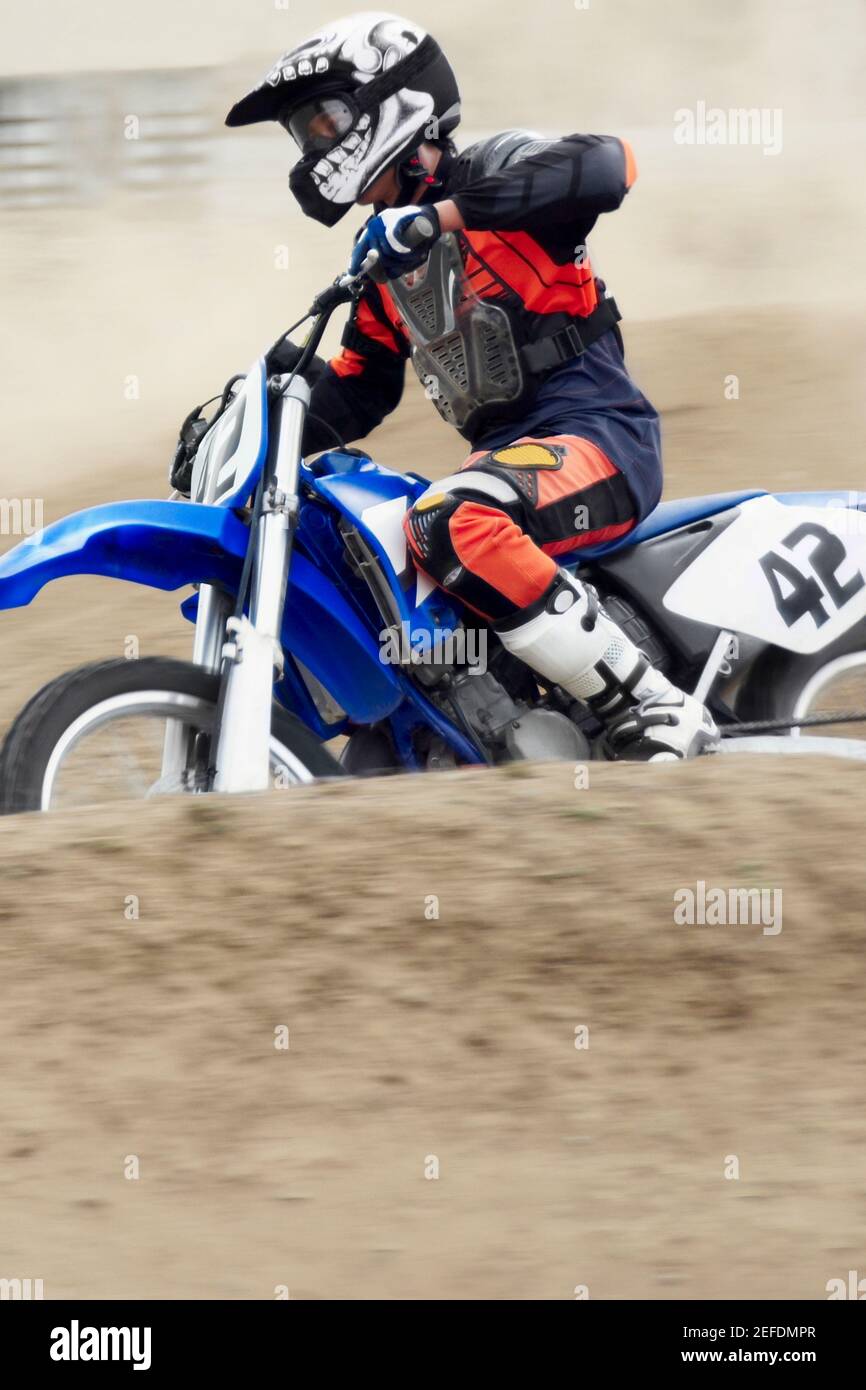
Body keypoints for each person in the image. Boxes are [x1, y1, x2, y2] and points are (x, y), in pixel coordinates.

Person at [225, 12, 718, 759]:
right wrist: (256, 421)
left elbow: (609, 165)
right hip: (507, 462)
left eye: (323, 119)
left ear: (394, 99)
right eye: (303, 131)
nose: (315, 146)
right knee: (372, 545)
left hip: (597, 435)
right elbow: (359, 390)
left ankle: (657, 705)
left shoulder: (496, 172)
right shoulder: (382, 268)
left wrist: (437, 218)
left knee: (454, 522)